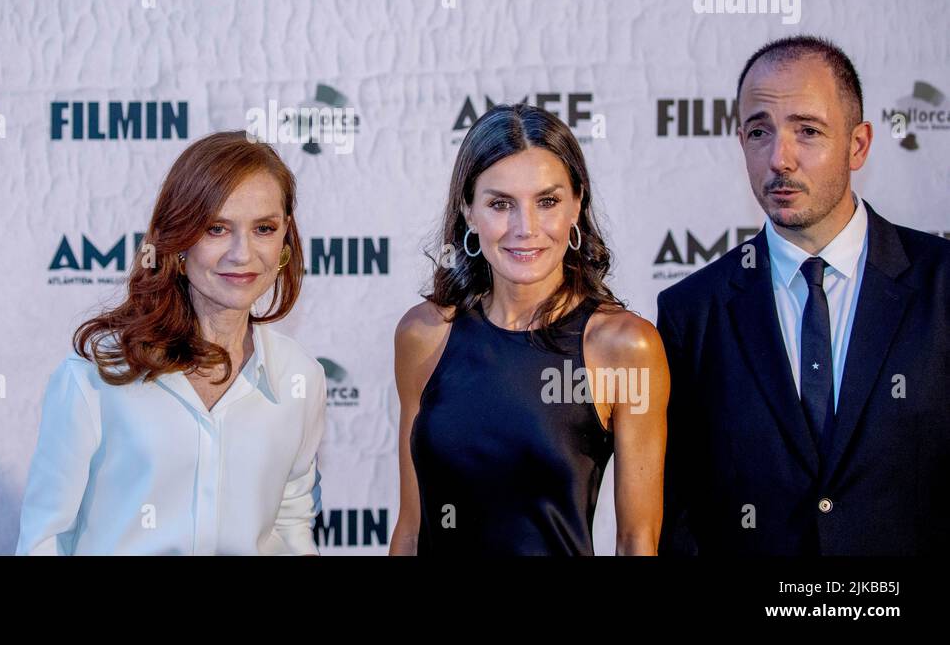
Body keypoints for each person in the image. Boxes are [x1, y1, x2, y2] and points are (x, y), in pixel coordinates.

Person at [657, 35, 950, 555]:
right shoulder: (692, 313)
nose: (780, 159)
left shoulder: (942, 285)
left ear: (858, 145)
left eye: (807, 131)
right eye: (758, 132)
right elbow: (683, 518)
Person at [15, 131, 326, 555]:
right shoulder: (97, 375)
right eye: (217, 228)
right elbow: (45, 539)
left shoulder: (300, 378)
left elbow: (291, 525)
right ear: (178, 238)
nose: (243, 253)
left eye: (264, 229)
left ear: (286, 236)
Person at [390, 104, 669, 555]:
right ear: (468, 210)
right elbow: (409, 529)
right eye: (500, 204)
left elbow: (637, 542)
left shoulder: (623, 346)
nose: (526, 228)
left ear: (577, 204)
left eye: (547, 201)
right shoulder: (423, 334)